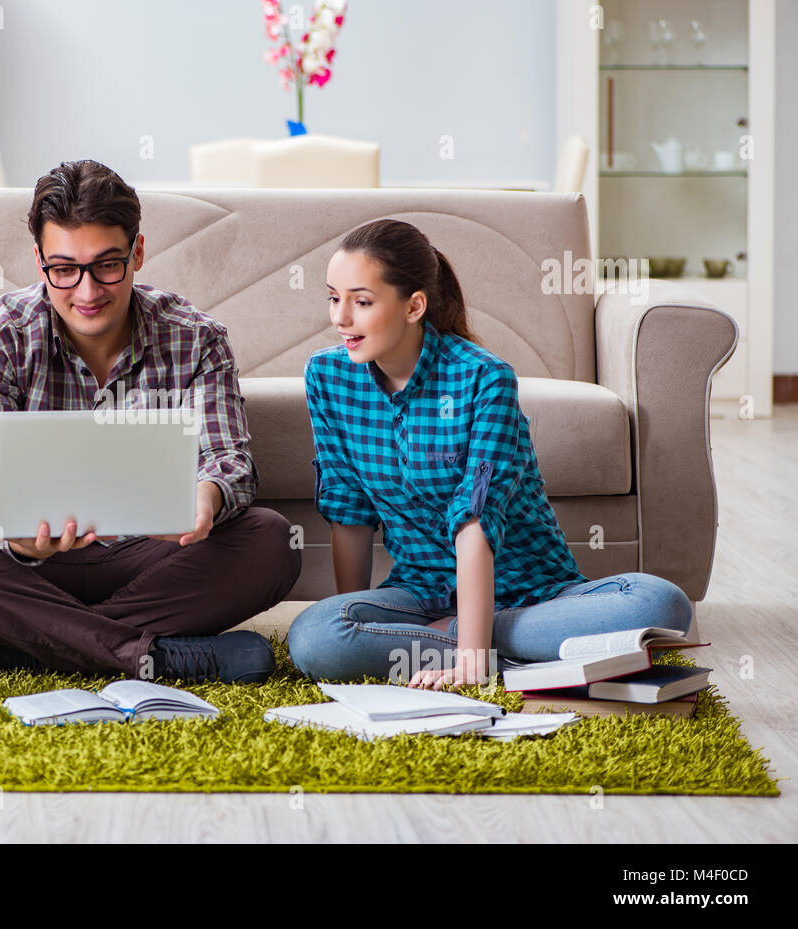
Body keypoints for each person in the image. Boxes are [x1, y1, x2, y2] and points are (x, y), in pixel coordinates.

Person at [0, 159, 302, 683]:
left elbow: (228, 460)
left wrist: (206, 498)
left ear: (137, 252)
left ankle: (9, 646)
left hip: (153, 558)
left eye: (107, 265)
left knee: (273, 540)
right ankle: (154, 656)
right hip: (26, 567)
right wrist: (15, 534)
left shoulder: (195, 337)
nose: (86, 291)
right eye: (64, 269)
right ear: (38, 262)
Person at [286, 218, 693, 689]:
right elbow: (348, 512)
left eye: (362, 301)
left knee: (660, 604)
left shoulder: (485, 379)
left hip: (531, 597)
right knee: (317, 636)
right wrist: (351, 614)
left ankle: (477, 643)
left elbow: (475, 520)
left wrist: (471, 657)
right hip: (422, 597)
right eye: (333, 297)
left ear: (414, 305)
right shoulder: (328, 377)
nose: (340, 318)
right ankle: (532, 654)